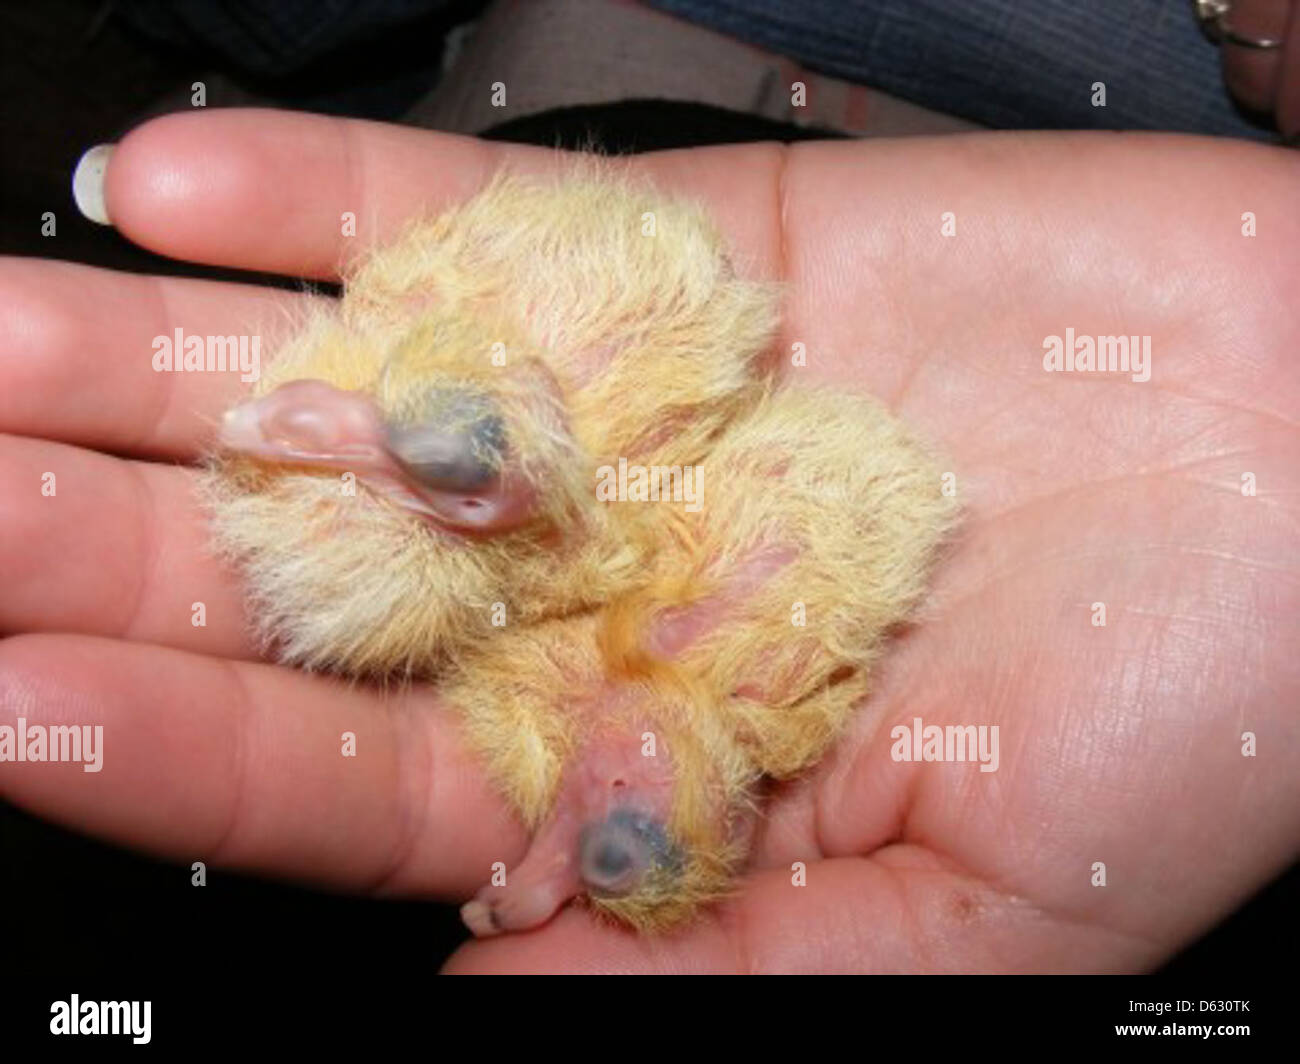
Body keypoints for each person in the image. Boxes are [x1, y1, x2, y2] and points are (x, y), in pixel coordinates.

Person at [1, 108, 1296, 972]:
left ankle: (484, 495)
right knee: (529, 616)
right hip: (625, 516)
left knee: (568, 611)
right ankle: (495, 512)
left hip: (620, 484)